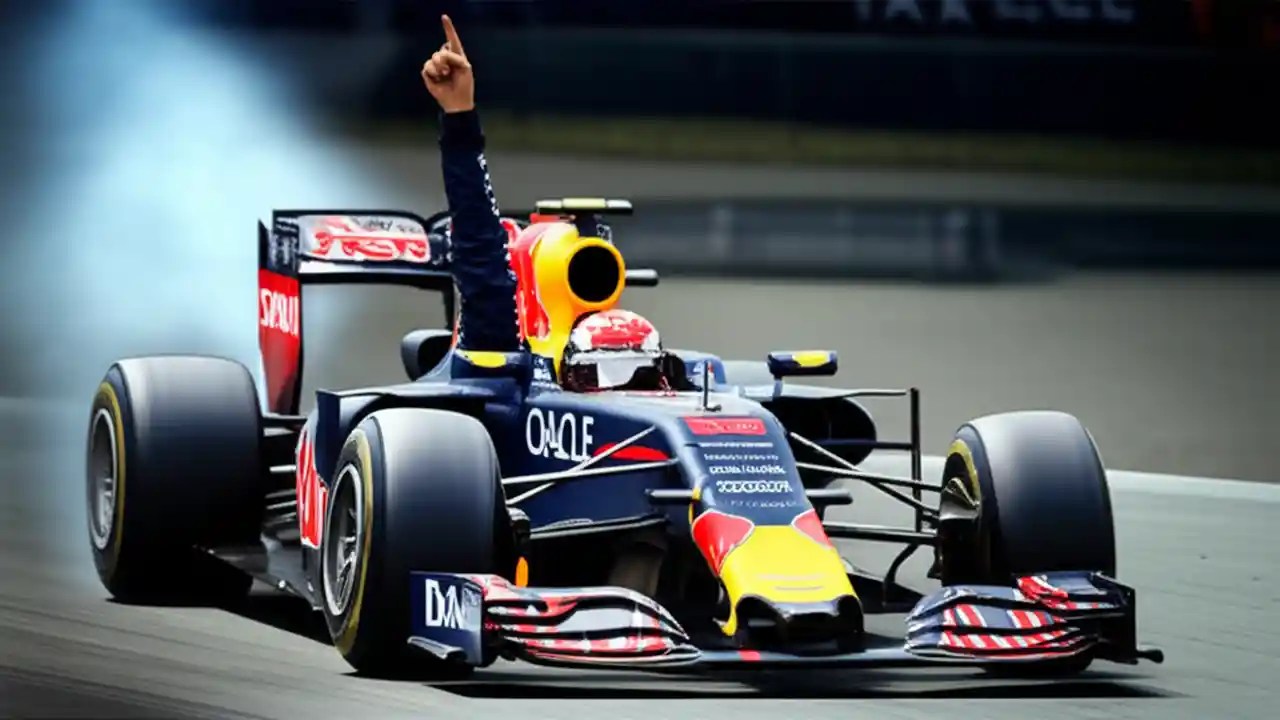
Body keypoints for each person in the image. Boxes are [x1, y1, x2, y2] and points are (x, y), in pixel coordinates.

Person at [421, 16, 677, 393]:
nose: (620, 386)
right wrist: (460, 117)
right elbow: (480, 252)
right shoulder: (507, 359)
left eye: (639, 369)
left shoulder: (666, 378)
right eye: (594, 371)